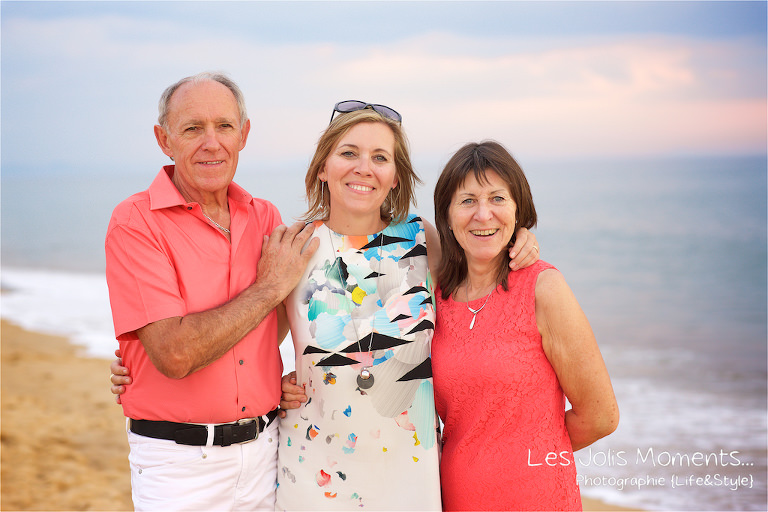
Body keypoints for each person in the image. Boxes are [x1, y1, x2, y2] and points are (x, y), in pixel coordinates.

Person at [111, 103, 541, 509]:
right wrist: (139, 366)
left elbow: (481, 305)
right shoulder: (292, 248)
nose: (363, 167)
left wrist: (519, 243)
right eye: (348, 153)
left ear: (395, 176)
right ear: (323, 167)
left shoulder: (422, 240)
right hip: (313, 470)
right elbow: (250, 343)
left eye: (380, 157)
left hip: (411, 469)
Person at [104, 72, 318, 511]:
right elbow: (175, 354)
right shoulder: (135, 222)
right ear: (164, 140)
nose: (211, 143)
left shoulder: (265, 217)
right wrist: (268, 289)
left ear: (244, 134)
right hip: (179, 467)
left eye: (224, 126)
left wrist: (274, 380)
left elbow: (268, 329)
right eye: (192, 128)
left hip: (267, 449)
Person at [430, 141, 619, 511]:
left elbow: (601, 416)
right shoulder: (435, 296)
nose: (483, 214)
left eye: (497, 199)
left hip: (535, 497)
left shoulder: (543, 288)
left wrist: (527, 454)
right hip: (455, 499)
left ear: (518, 209)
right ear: (447, 216)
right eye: (467, 201)